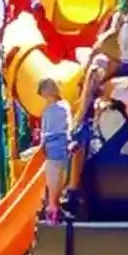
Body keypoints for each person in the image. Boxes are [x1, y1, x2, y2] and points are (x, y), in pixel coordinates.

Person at [38, 78, 72, 224]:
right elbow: (44, 130)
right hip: (54, 144)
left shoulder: (61, 106)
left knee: (59, 176)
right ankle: (52, 207)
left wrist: (69, 138)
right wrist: (42, 144)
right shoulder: (49, 109)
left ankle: (54, 207)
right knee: (55, 175)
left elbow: (68, 123)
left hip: (60, 142)